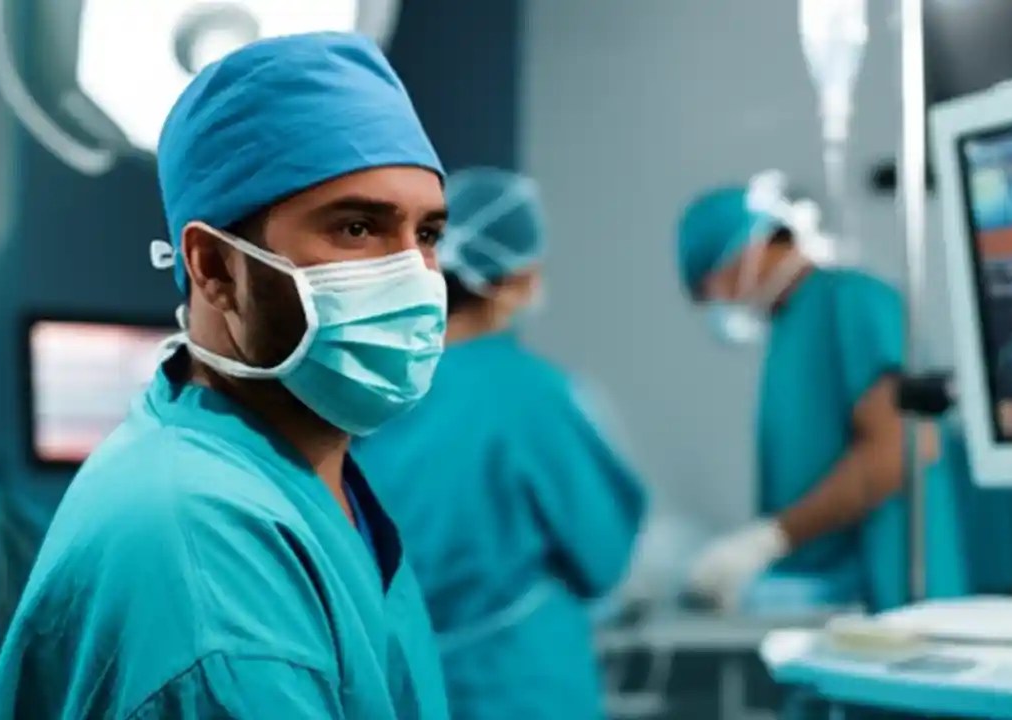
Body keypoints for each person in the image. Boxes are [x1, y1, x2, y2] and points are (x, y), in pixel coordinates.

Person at [0, 33, 452, 718]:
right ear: (213, 268)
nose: (412, 274)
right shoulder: (207, 567)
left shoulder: (293, 472)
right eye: (356, 228)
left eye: (429, 234)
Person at [352, 167, 648, 720]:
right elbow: (604, 553)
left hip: (401, 687)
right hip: (520, 685)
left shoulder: (374, 389)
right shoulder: (532, 394)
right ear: (511, 278)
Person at [676, 180, 909, 613]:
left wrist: (773, 538)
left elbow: (901, 449)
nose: (720, 302)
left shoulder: (852, 300)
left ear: (749, 247)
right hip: (839, 595)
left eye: (713, 286)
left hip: (892, 585)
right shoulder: (790, 330)